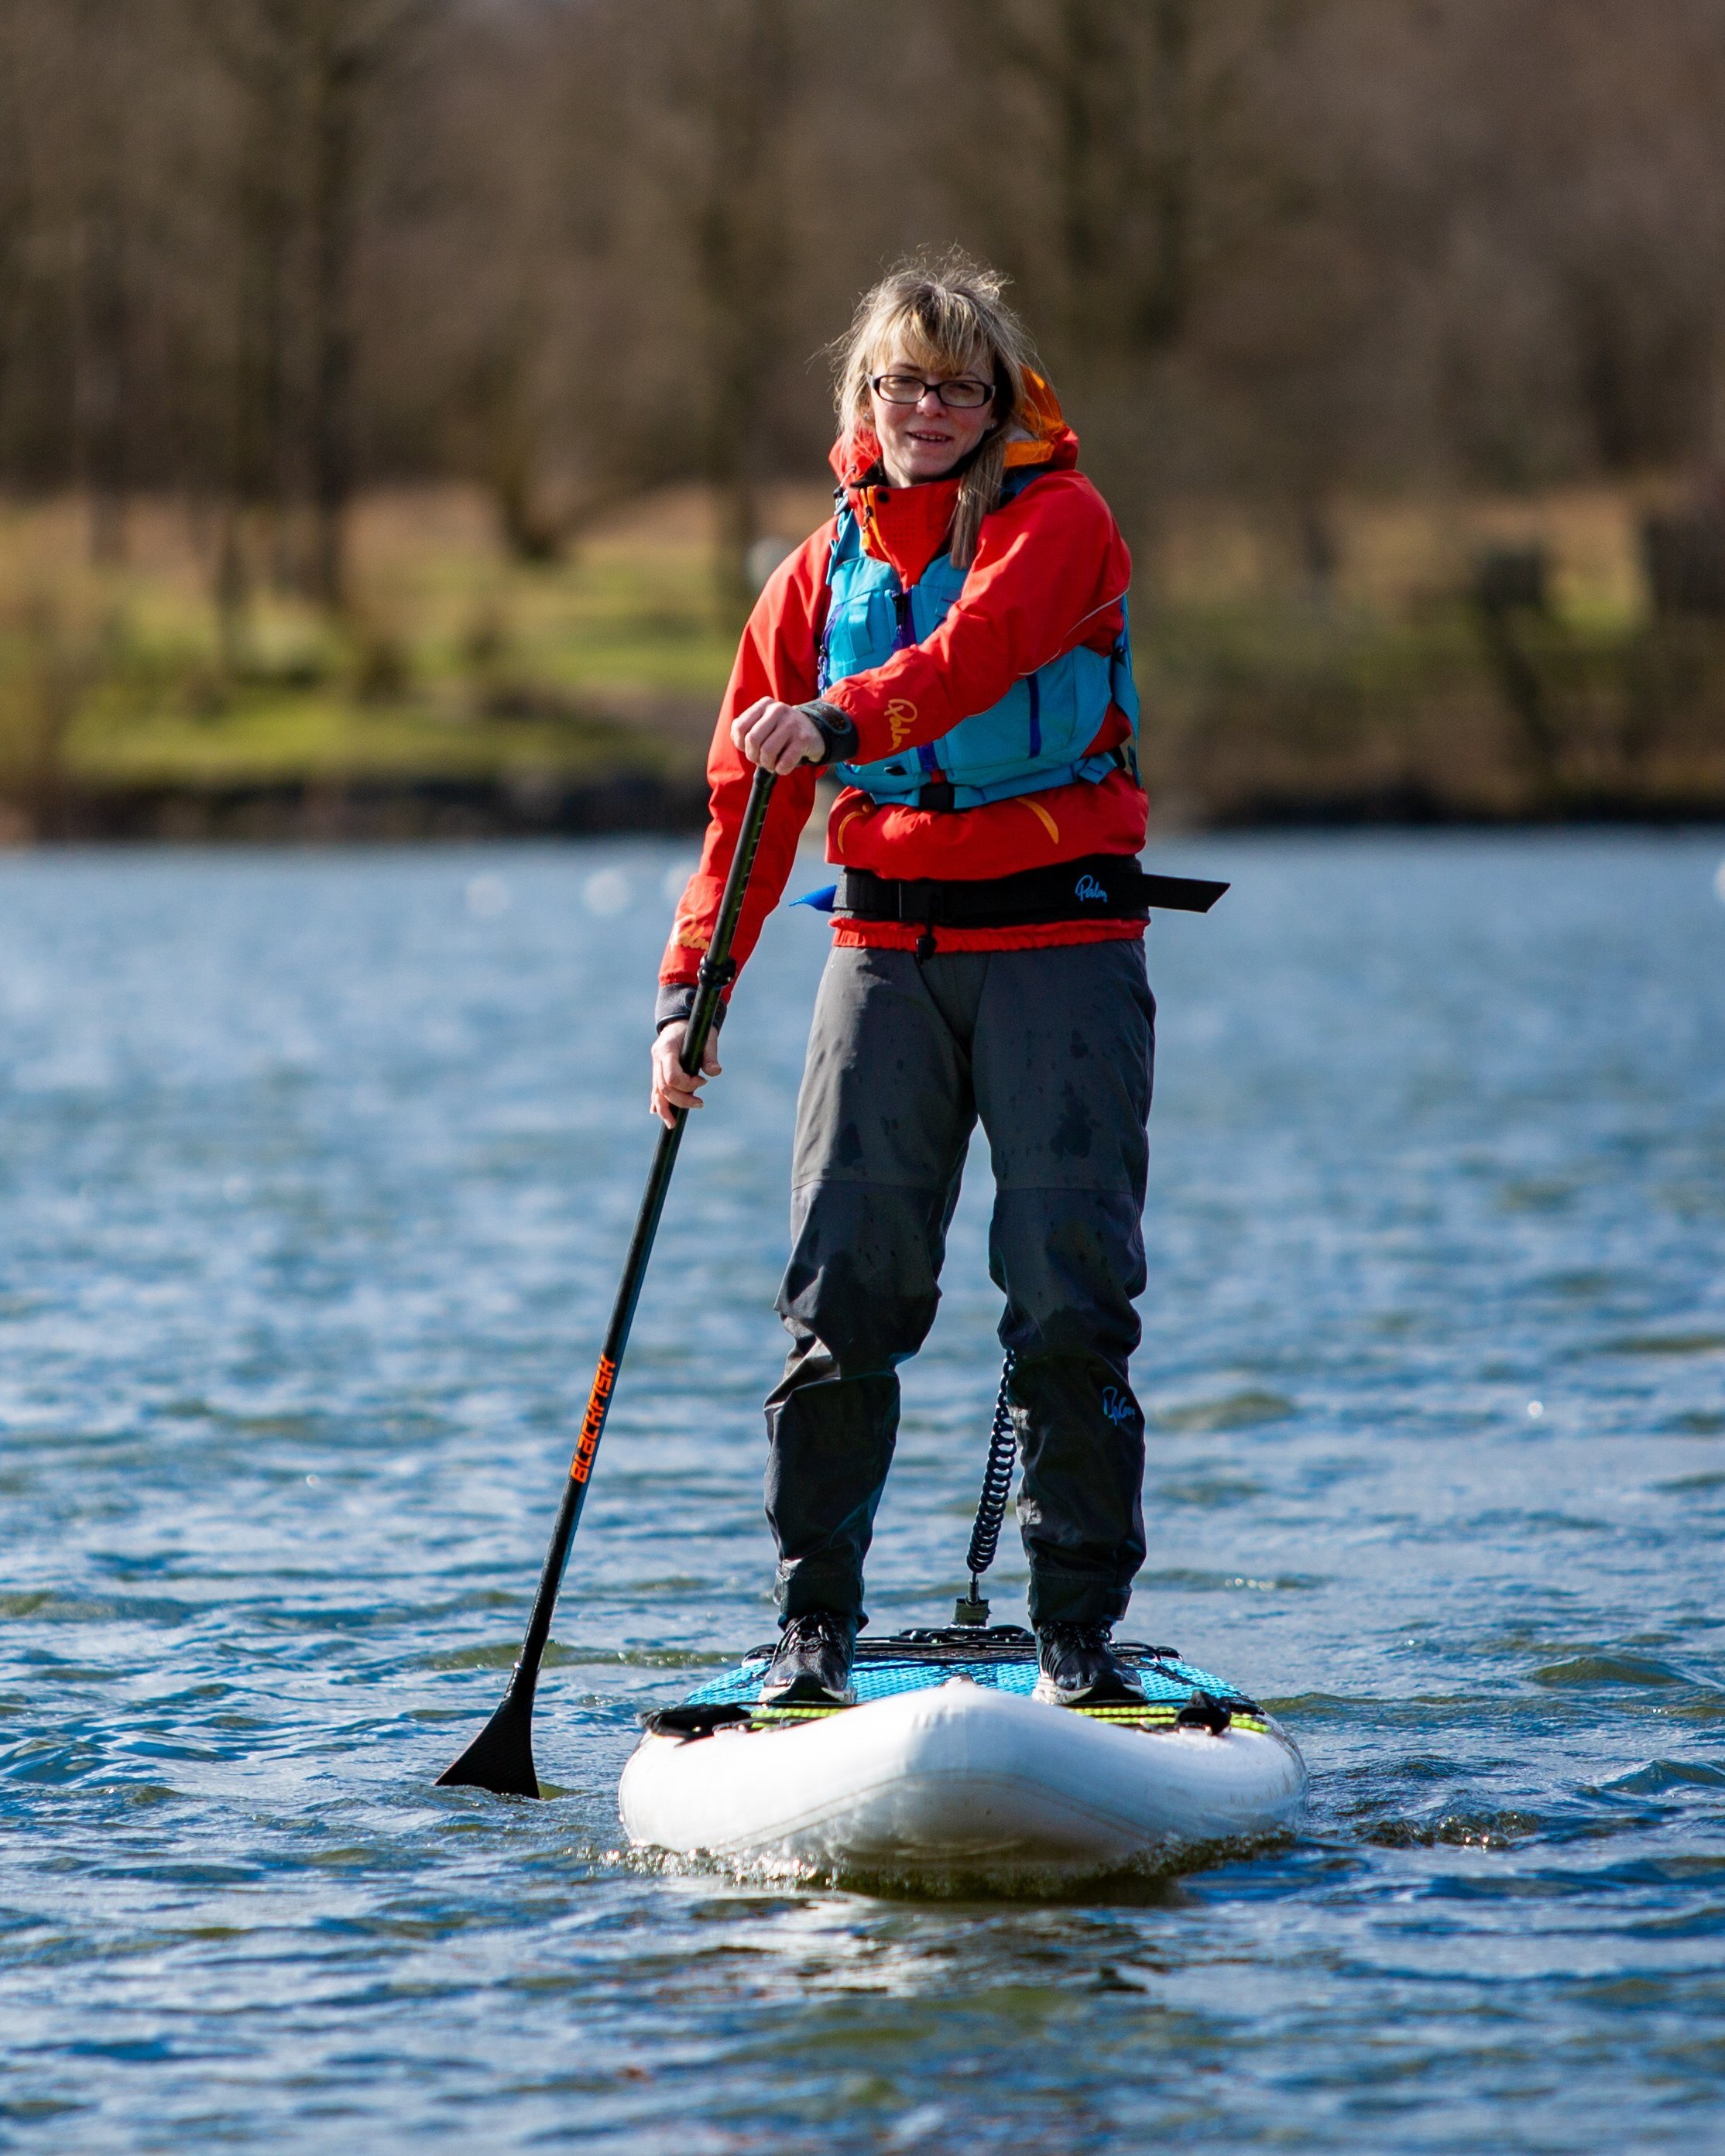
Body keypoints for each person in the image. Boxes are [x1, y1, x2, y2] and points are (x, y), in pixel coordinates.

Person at [652, 251, 1156, 1711]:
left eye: (955, 385)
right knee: (839, 1298)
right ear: (858, 399)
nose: (924, 408)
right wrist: (693, 996)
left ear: (997, 404)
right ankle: (815, 1632)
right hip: (882, 952)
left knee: (1069, 1301)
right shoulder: (813, 578)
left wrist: (837, 714)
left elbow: (976, 657)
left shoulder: (1061, 524)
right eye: (898, 382)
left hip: (1060, 947)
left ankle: (1077, 1636)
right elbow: (743, 817)